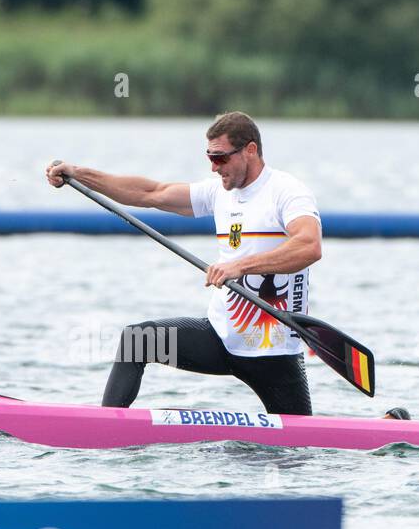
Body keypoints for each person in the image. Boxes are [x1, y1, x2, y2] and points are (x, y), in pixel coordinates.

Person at [46, 111, 321, 415]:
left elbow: (309, 245)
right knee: (137, 340)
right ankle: (106, 427)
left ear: (250, 150)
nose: (214, 167)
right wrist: (78, 174)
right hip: (220, 338)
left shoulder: (287, 191)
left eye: (220, 158)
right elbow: (150, 193)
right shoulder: (219, 192)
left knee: (298, 453)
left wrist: (240, 266)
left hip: (274, 353)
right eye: (209, 158)